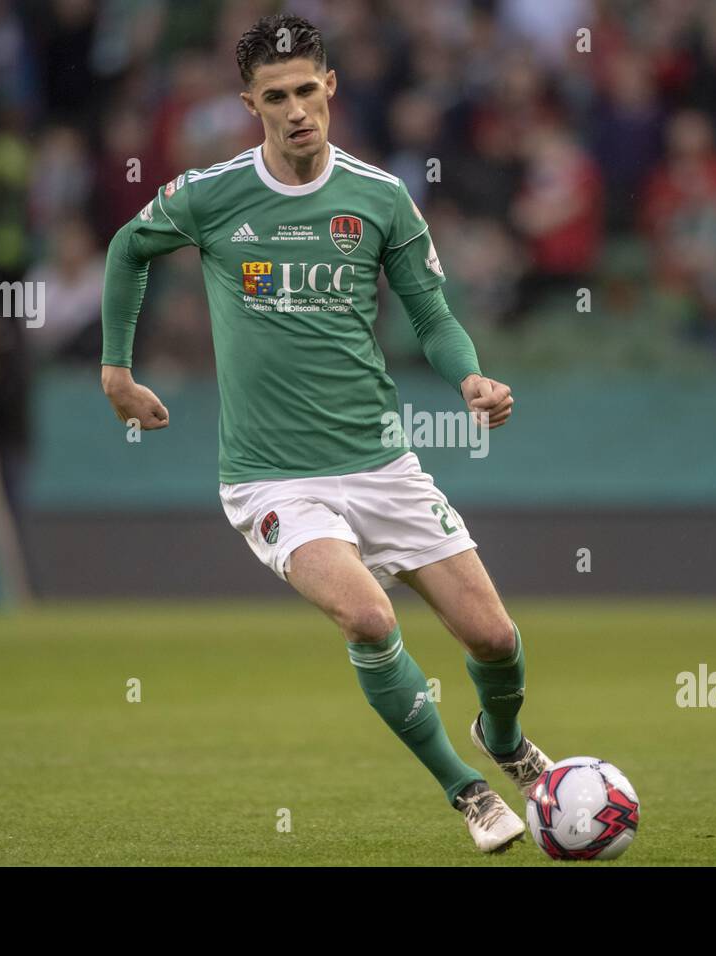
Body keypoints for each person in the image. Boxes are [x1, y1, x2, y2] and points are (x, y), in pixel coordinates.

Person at [99, 14, 550, 854]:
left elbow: (431, 312)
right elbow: (128, 247)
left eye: (308, 89)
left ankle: (505, 737)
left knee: (492, 637)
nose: (297, 109)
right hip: (274, 479)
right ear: (250, 104)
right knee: (370, 620)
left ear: (331, 86)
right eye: (276, 96)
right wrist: (116, 372)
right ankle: (467, 790)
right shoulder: (213, 194)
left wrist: (471, 378)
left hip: (382, 465)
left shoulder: (379, 197)